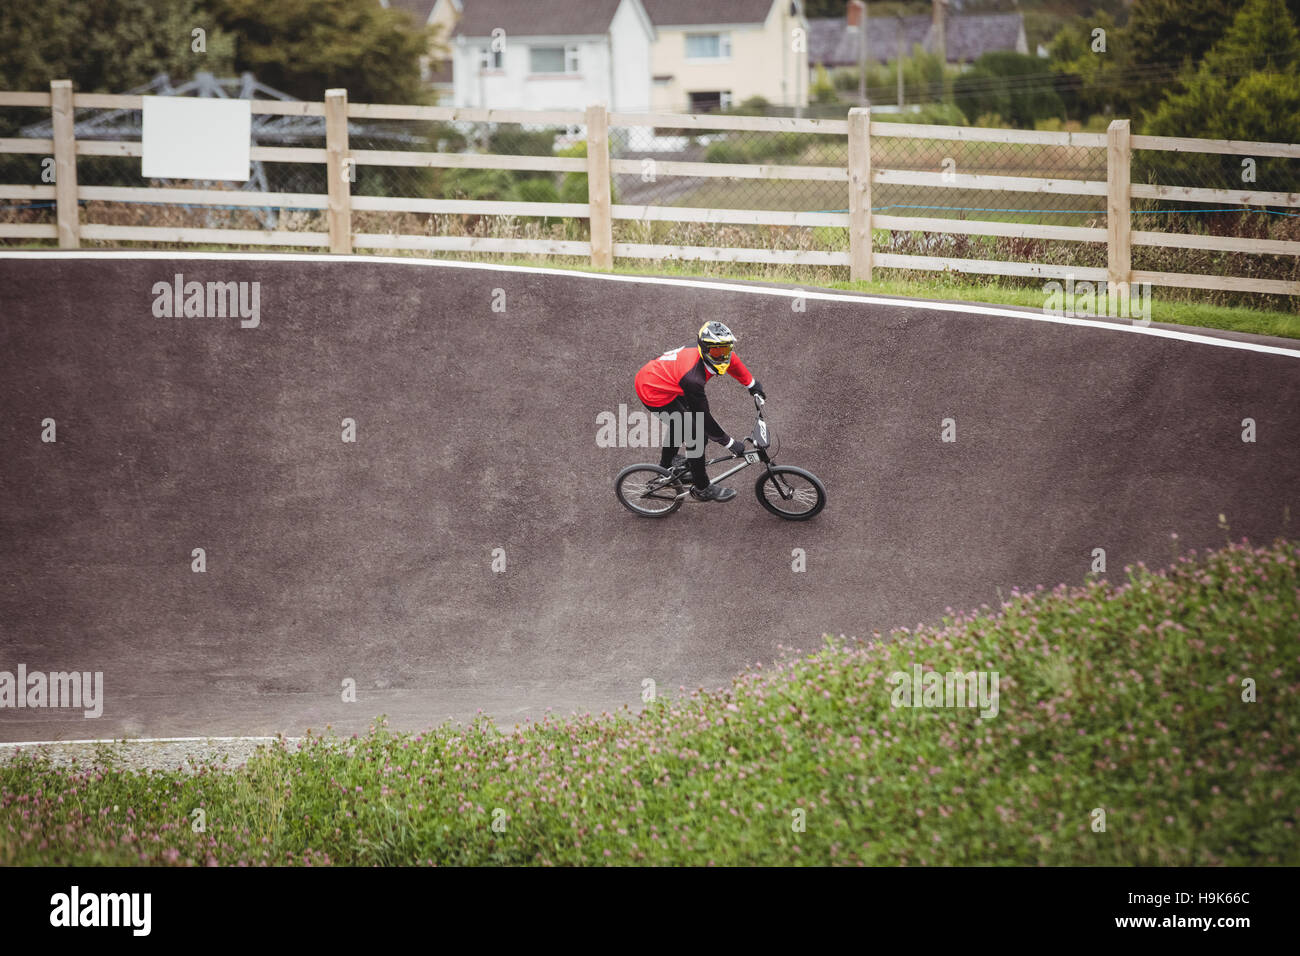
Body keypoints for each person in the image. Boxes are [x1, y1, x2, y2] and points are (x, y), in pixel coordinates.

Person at [633, 321, 766, 502]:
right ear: (704, 349)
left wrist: (753, 385)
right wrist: (730, 443)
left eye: (725, 349)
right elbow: (703, 417)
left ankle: (669, 466)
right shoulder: (693, 379)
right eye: (716, 351)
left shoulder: (718, 355)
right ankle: (702, 488)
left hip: (668, 381)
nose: (722, 355)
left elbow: (733, 362)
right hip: (653, 391)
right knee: (695, 434)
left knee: (686, 427)